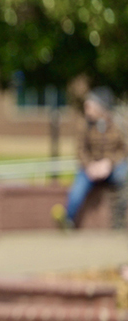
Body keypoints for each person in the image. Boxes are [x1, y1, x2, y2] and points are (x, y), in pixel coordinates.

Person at [59, 87, 127, 229]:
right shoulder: (84, 125)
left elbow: (123, 149)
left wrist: (109, 163)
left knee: (124, 176)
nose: (86, 109)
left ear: (100, 108)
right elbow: (80, 150)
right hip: (90, 168)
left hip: (112, 167)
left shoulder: (116, 125)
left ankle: (119, 221)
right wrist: (90, 165)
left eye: (89, 105)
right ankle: (68, 220)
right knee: (77, 189)